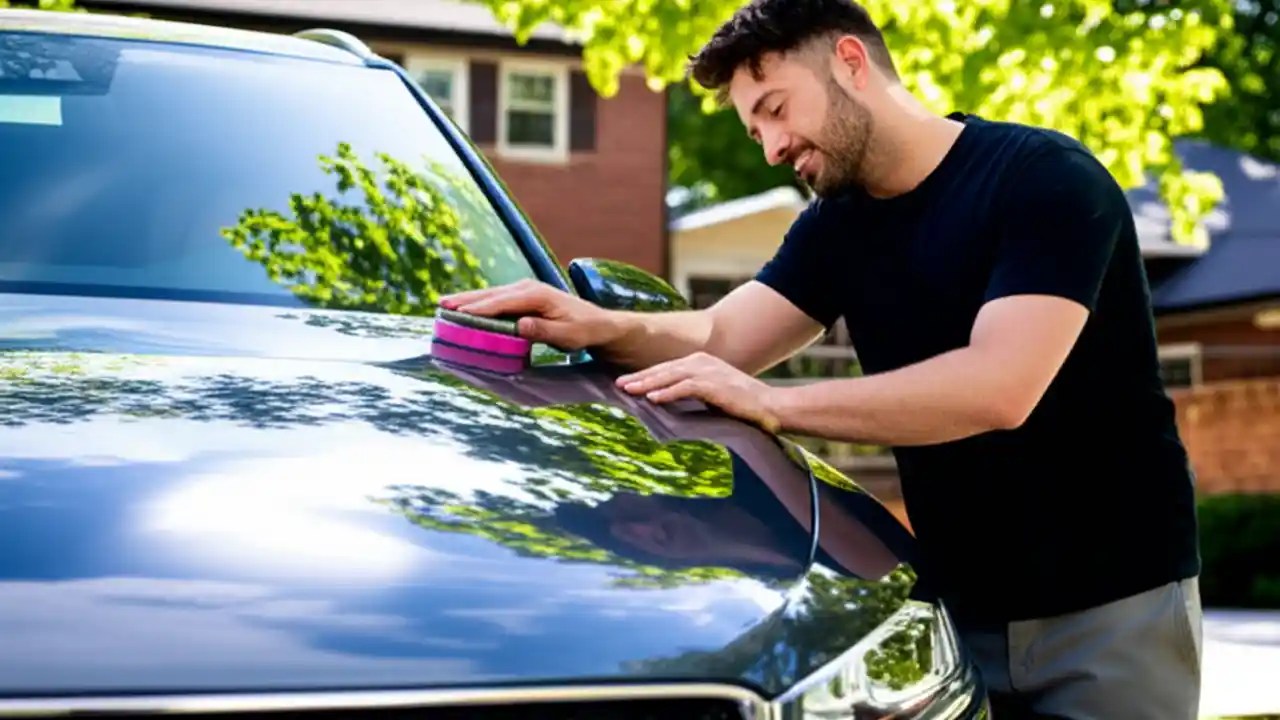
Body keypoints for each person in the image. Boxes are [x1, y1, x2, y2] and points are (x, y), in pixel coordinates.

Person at [440, 0, 1203, 715]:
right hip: (955, 612)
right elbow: (721, 336)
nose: (773, 148)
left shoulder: (1045, 180)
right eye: (754, 131)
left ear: (848, 61)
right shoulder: (838, 226)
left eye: (775, 110)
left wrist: (774, 404)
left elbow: (999, 387)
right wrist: (591, 323)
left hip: (1111, 608)